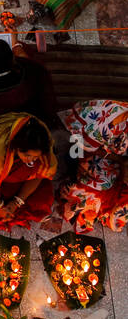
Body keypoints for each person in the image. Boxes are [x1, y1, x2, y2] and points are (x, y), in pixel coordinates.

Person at [58, 100, 128, 233]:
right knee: (101, 183)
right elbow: (90, 146)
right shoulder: (117, 120)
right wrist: (121, 163)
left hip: (117, 166)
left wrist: (124, 172)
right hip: (99, 154)